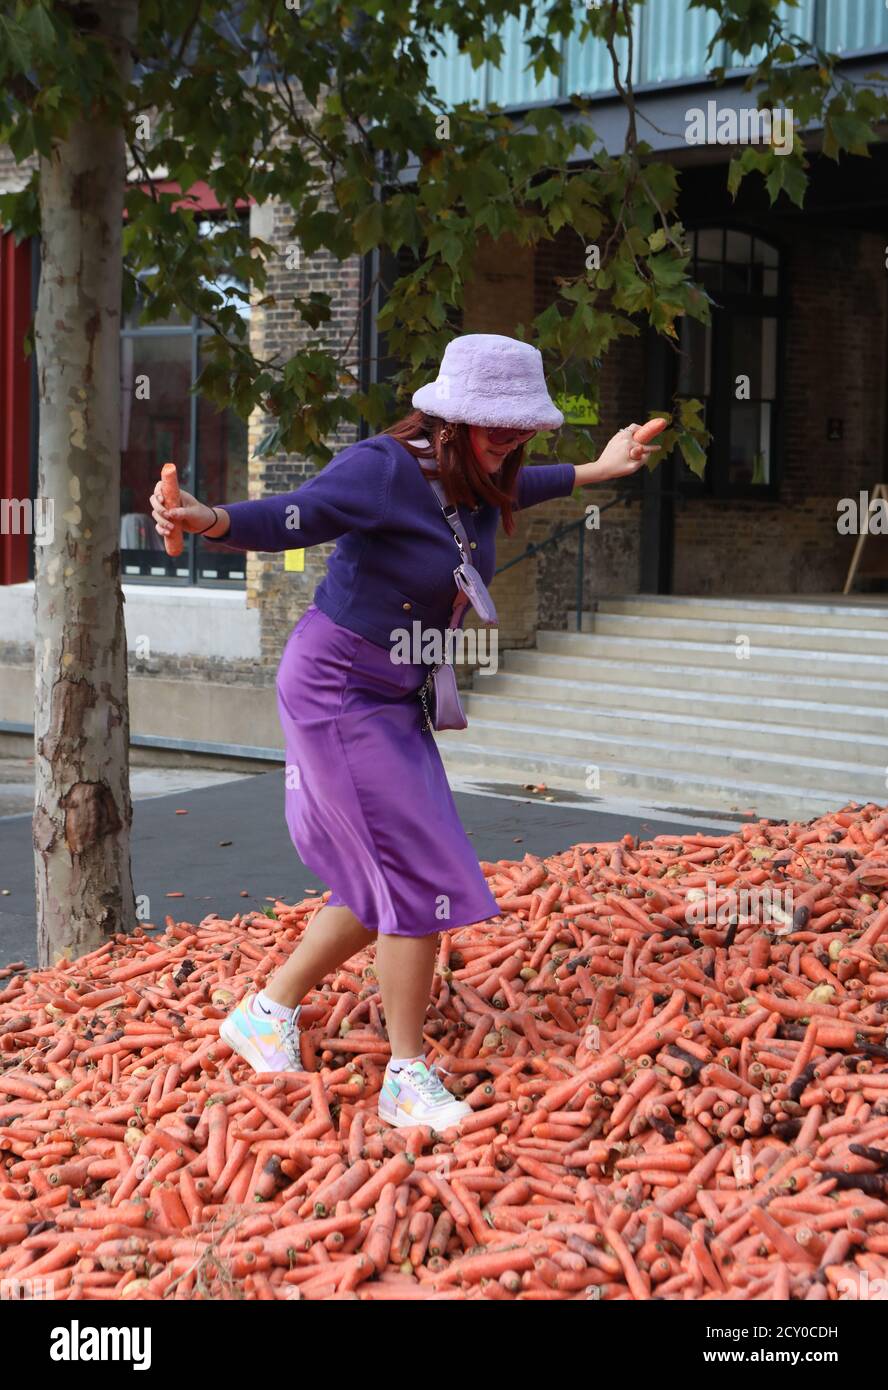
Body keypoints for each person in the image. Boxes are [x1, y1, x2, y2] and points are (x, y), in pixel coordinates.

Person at [150, 332, 661, 1128]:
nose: (512, 446)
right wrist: (208, 518)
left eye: (523, 431)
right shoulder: (384, 469)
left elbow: (514, 493)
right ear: (450, 420)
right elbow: (296, 517)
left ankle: (266, 1010)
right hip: (338, 688)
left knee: (381, 875)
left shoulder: (482, 474)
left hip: (396, 696)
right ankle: (406, 1074)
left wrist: (599, 467)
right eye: (499, 430)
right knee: (417, 873)